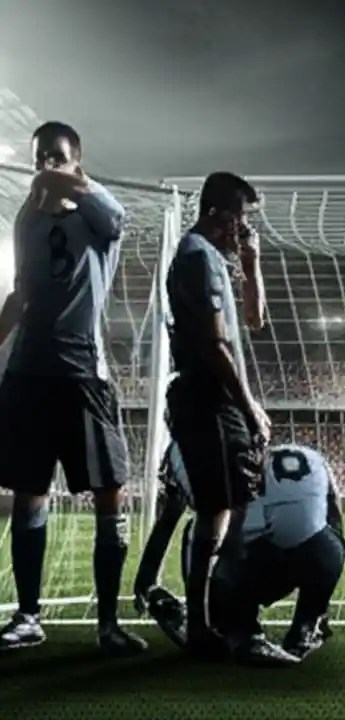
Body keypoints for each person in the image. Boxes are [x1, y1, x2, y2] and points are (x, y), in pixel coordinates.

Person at [0, 122, 146, 653]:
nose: (46, 165)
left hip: (85, 374)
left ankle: (107, 624)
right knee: (28, 494)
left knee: (111, 494)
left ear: (77, 160)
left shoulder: (98, 210)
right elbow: (22, 295)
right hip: (28, 374)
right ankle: (28, 615)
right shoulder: (25, 219)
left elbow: (113, 214)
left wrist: (70, 182)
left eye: (56, 157)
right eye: (40, 157)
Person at [164, 171, 280, 661]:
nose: (244, 230)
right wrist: (249, 405)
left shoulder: (213, 258)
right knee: (222, 508)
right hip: (208, 397)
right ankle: (211, 619)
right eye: (241, 220)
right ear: (218, 214)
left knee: (228, 506)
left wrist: (252, 265)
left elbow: (254, 322)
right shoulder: (196, 257)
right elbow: (215, 344)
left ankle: (211, 616)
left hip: (215, 398)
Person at [134, 442, 345, 664]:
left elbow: (171, 518)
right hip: (316, 554)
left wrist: (146, 578)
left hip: (248, 560)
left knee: (199, 531)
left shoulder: (184, 453)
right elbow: (335, 513)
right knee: (330, 541)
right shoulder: (304, 455)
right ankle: (308, 624)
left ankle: (239, 631)